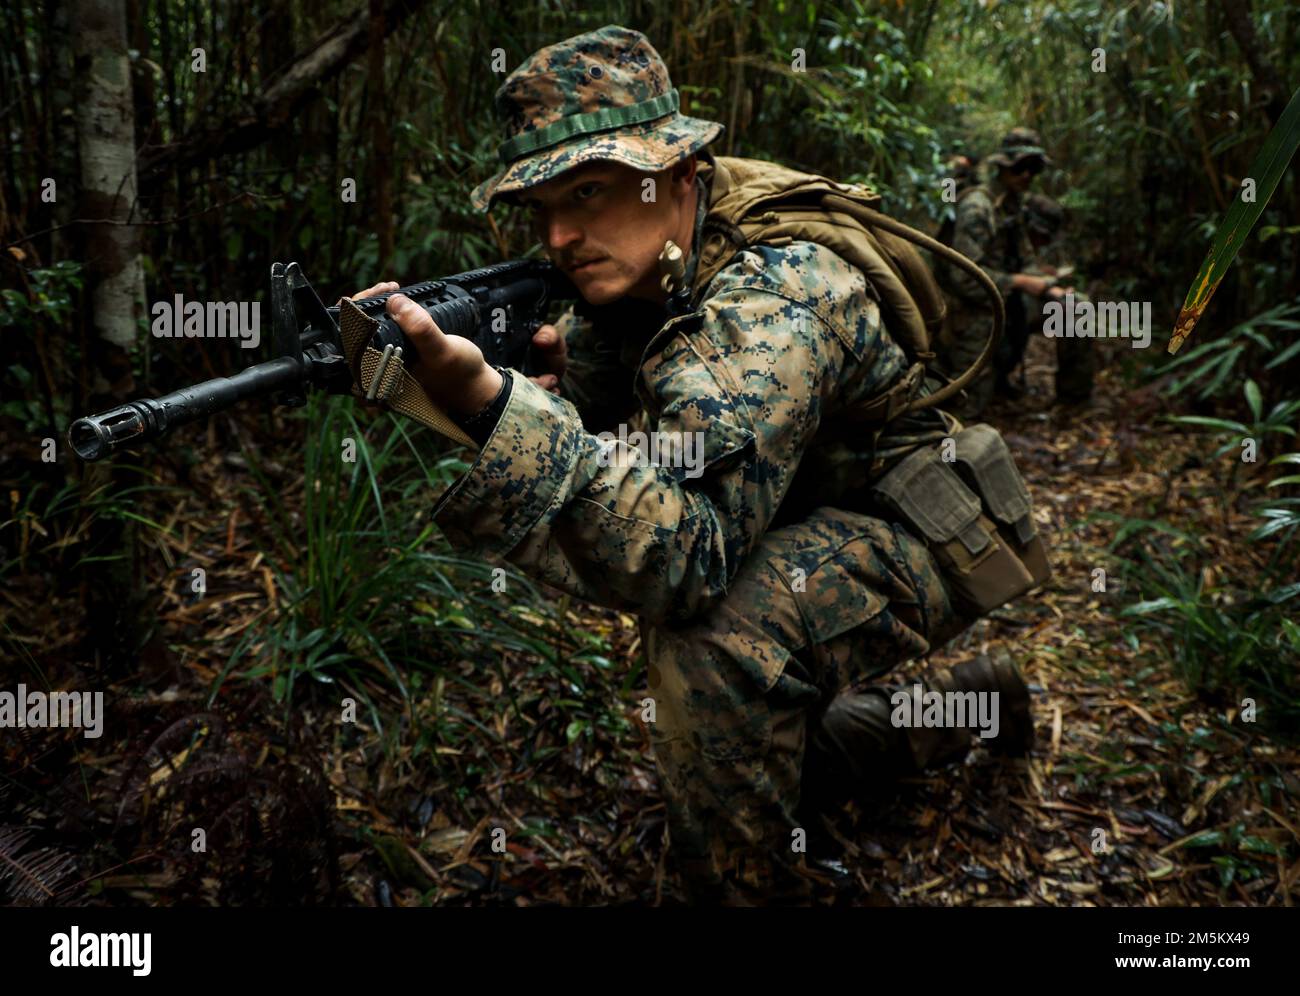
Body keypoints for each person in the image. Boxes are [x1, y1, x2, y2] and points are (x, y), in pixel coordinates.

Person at [352, 26, 1043, 905]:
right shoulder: (665, 251)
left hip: (931, 521)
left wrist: (493, 403)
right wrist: (552, 371)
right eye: (542, 209)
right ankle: (975, 703)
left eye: (591, 193)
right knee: (786, 747)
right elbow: (654, 385)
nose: (561, 235)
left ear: (676, 173)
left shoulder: (775, 296)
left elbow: (687, 560)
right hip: (807, 500)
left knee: (718, 640)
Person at [937, 127, 1070, 416]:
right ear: (1002, 167)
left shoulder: (1013, 205)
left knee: (1074, 308)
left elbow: (1024, 258)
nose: (1026, 176)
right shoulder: (978, 208)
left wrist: (1046, 284)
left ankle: (1074, 403)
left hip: (1003, 295)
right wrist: (1021, 282)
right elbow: (964, 278)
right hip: (971, 306)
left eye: (1033, 170)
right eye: (1019, 168)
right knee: (966, 407)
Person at [1023, 193, 1094, 403]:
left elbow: (1026, 267)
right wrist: (1028, 282)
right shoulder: (993, 218)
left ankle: (1074, 394)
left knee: (1077, 307)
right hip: (992, 299)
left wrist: (1046, 281)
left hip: (1024, 293)